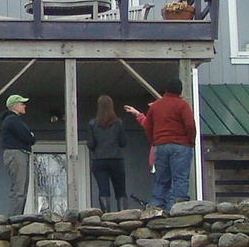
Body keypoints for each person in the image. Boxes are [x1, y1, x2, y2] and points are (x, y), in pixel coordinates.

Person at [127, 79, 196, 211]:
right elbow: (189, 125)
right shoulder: (182, 105)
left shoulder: (155, 106)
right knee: (180, 178)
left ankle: (155, 206)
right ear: (180, 91)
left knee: (162, 180)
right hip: (180, 145)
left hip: (160, 145)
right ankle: (177, 207)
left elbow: (148, 126)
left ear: (166, 90)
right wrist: (190, 141)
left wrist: (155, 141)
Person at [83, 94, 130, 210]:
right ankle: (123, 216)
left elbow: (91, 144)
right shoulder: (118, 123)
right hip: (116, 159)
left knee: (103, 190)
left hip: (99, 160)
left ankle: (106, 216)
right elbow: (123, 143)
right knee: (120, 190)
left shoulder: (92, 124)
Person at [0, 94, 35, 214]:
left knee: (22, 190)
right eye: (21, 103)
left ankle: (18, 216)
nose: (24, 106)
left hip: (20, 154)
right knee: (18, 190)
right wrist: (30, 136)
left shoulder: (14, 120)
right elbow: (28, 138)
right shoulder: (12, 119)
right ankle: (13, 219)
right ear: (14, 106)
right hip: (16, 154)